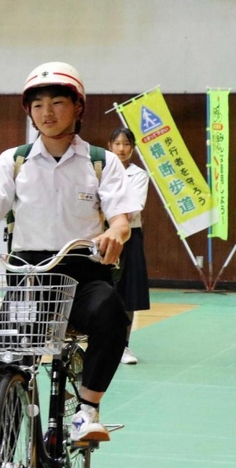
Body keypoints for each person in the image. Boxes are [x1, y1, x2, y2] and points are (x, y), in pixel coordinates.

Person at [0, 62, 139, 468]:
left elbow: (122, 217)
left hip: (81, 271)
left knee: (113, 312)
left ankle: (87, 410)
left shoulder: (100, 160)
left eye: (57, 102)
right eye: (37, 104)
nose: (46, 112)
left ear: (77, 108)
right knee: (5, 376)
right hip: (30, 276)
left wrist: (116, 231)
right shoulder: (14, 160)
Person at [108, 127, 151, 365]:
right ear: (110, 146)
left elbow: (134, 206)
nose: (122, 149)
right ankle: (100, 343)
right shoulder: (100, 171)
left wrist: (114, 220)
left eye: (126, 144)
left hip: (129, 237)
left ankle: (124, 347)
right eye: (117, 144)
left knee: (127, 294)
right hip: (101, 237)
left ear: (132, 148)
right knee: (102, 290)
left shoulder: (139, 175)